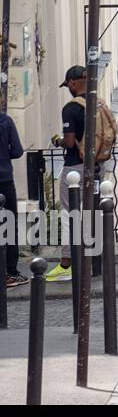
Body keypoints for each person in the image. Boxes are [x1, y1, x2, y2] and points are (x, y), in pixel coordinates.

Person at [45, 66, 89, 282]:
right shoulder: (97, 103)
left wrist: (58, 141)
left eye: (68, 85)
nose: (68, 89)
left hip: (74, 167)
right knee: (88, 213)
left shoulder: (70, 109)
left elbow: (70, 142)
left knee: (68, 213)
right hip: (94, 166)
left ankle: (66, 264)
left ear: (72, 82)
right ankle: (90, 261)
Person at [0, 109, 26, 287]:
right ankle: (10, 272)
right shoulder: (6, 122)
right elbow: (17, 151)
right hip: (4, 179)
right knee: (9, 226)